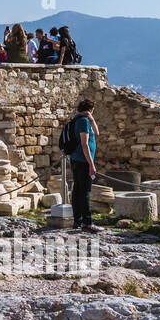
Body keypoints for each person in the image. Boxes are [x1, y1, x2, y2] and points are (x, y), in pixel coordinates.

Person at [67, 99, 101, 233]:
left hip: (76, 159)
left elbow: (96, 133)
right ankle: (87, 223)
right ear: (90, 109)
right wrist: (91, 164)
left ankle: (78, 220)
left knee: (77, 191)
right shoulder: (82, 122)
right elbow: (84, 144)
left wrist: (92, 119)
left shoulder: (79, 120)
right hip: (83, 161)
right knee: (84, 192)